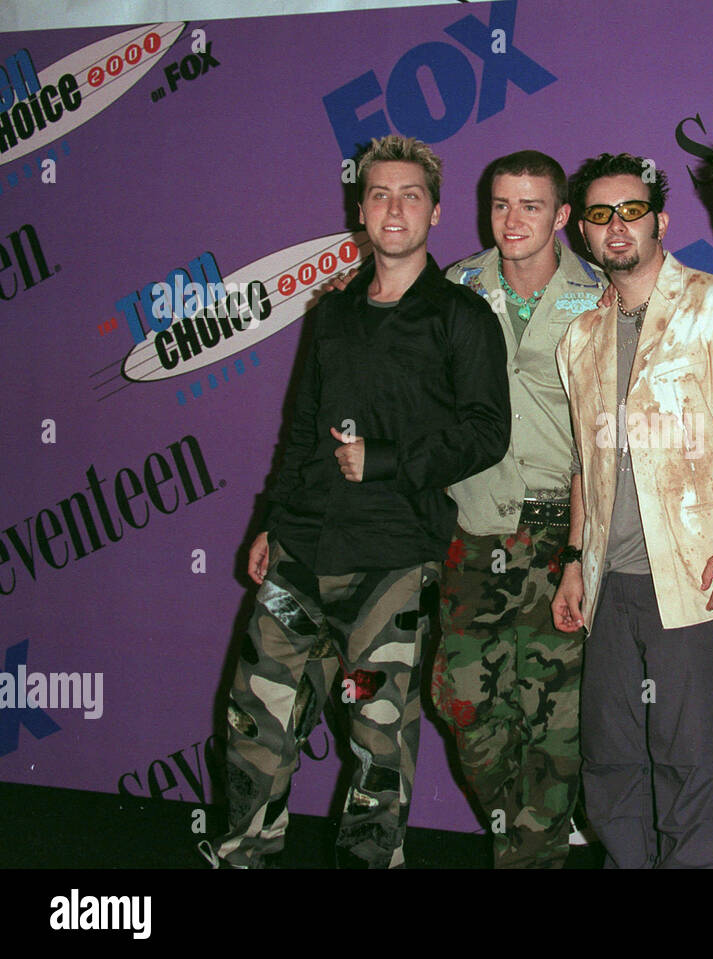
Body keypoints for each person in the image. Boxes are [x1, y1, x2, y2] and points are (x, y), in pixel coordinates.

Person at [201, 135, 509, 868]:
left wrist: (387, 460)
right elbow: (302, 427)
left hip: (392, 559)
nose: (394, 208)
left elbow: (487, 431)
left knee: (379, 733)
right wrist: (270, 522)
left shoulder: (462, 316)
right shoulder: (332, 312)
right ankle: (244, 851)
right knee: (255, 716)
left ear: (435, 211)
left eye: (410, 195)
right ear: (360, 211)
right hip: (301, 549)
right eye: (379, 195)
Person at [552, 153, 713, 868]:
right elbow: (585, 461)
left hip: (694, 575)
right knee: (609, 762)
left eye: (632, 211)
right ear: (583, 232)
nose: (617, 227)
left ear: (661, 221)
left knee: (688, 762)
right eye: (600, 215)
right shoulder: (579, 337)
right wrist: (573, 560)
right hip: (609, 583)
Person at [434, 150, 605, 868]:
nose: (512, 220)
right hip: (476, 529)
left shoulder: (598, 294)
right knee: (463, 704)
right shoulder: (456, 286)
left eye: (530, 206)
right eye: (501, 204)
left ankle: (533, 853)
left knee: (555, 719)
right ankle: (524, 833)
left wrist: (581, 549)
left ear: (561, 215)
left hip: (560, 531)